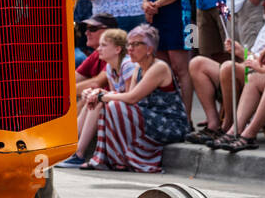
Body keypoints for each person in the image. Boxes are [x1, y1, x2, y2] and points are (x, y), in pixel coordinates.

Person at [188, 0, 265, 143]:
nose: (264, 4)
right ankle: (213, 123)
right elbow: (255, 56)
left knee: (229, 67)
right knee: (197, 63)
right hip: (248, 70)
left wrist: (242, 52)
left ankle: (228, 123)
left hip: (260, 75)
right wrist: (240, 52)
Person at [81, 24, 190, 173]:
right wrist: (101, 94)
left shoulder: (159, 67)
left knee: (113, 105)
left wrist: (101, 96)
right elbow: (126, 97)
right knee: (112, 105)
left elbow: (132, 98)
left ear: (150, 49)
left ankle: (124, 159)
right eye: (129, 44)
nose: (130, 49)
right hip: (149, 119)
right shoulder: (138, 67)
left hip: (170, 124)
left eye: (136, 44)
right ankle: (111, 159)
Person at [62, 28, 136, 168]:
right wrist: (95, 93)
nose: (99, 49)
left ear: (118, 49)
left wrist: (101, 95)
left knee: (98, 102)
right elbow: (115, 94)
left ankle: (78, 154)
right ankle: (69, 149)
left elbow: (130, 98)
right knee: (93, 99)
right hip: (121, 110)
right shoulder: (110, 67)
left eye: (104, 45)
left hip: (138, 112)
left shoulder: (128, 65)